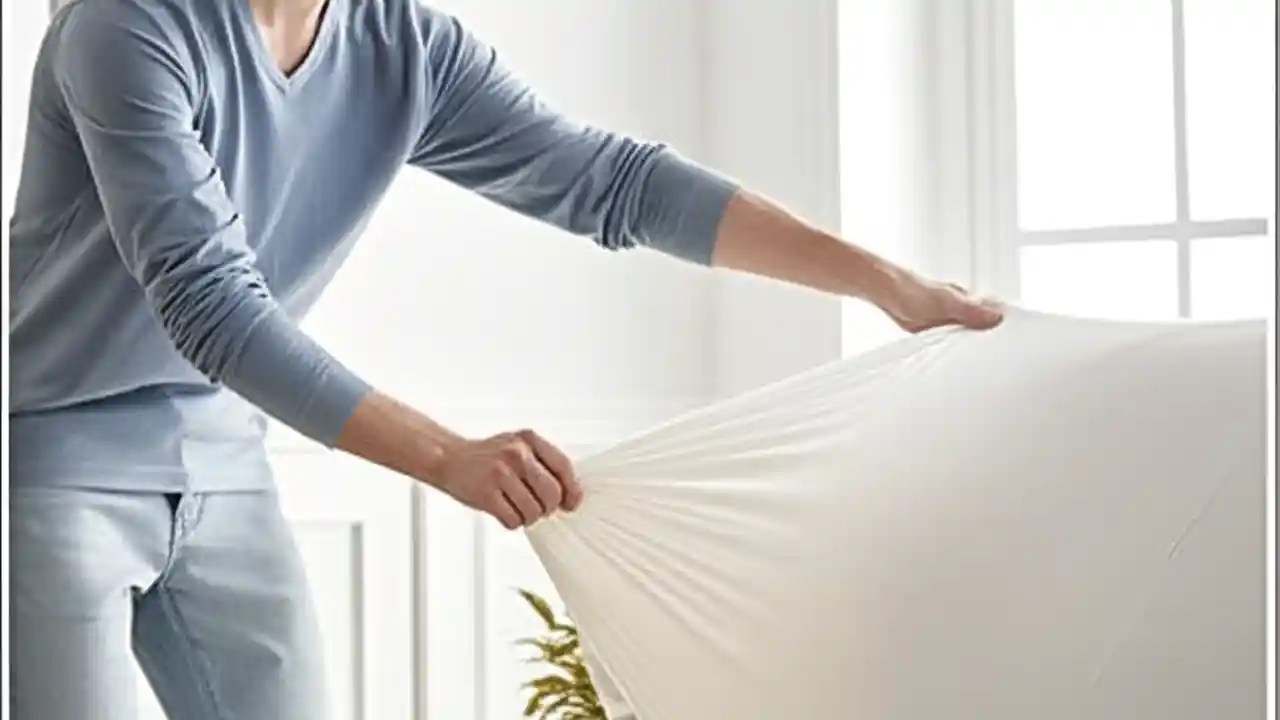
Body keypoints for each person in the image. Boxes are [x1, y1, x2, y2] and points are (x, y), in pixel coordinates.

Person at [7, 0, 1004, 717]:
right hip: (51, 463)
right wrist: (446, 456)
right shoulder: (123, 25)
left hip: (226, 460)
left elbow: (613, 184)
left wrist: (879, 281)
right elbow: (208, 303)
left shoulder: (403, 46)